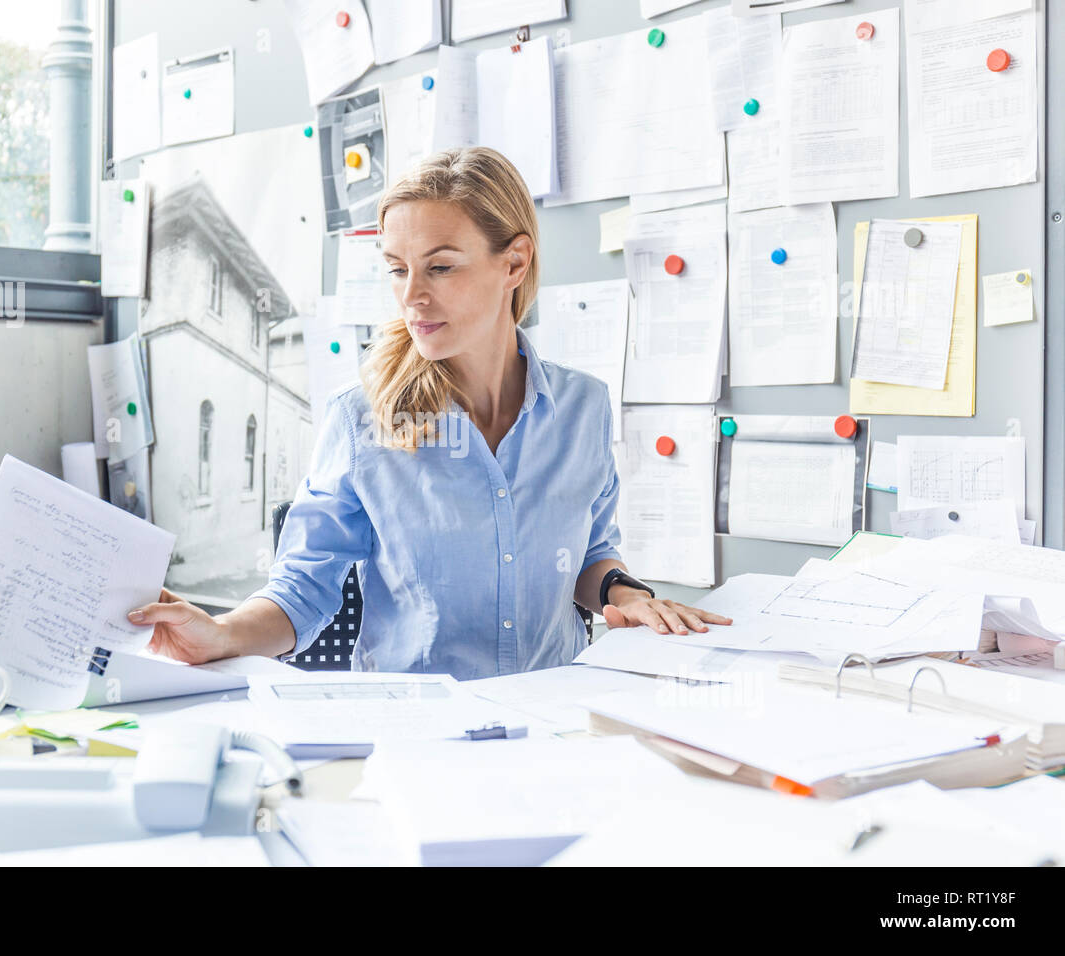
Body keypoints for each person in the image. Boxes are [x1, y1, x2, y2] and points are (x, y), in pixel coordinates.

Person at [128, 146, 729, 679]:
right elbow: (301, 591)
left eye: (440, 266)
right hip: (418, 733)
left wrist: (629, 594)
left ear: (514, 264)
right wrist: (225, 634)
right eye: (397, 268)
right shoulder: (361, 421)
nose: (412, 294)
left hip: (557, 719)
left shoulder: (582, 408)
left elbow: (589, 553)